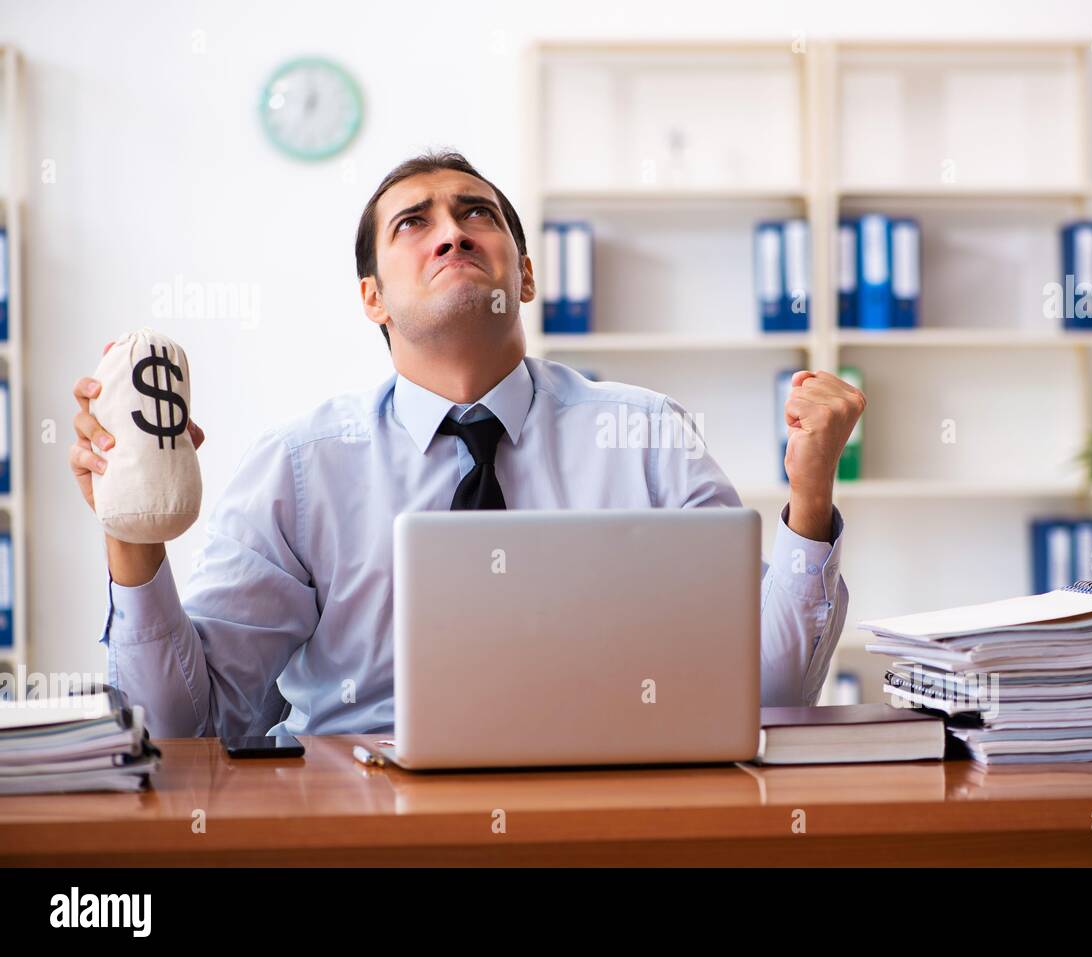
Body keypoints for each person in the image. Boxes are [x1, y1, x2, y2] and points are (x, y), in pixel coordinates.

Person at [68, 150, 866, 739]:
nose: (451, 232)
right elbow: (183, 728)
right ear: (372, 299)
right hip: (364, 819)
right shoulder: (301, 467)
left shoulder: (647, 434)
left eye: (475, 213)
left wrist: (810, 496)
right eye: (414, 222)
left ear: (522, 275)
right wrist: (129, 534)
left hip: (607, 804)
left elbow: (769, 691)